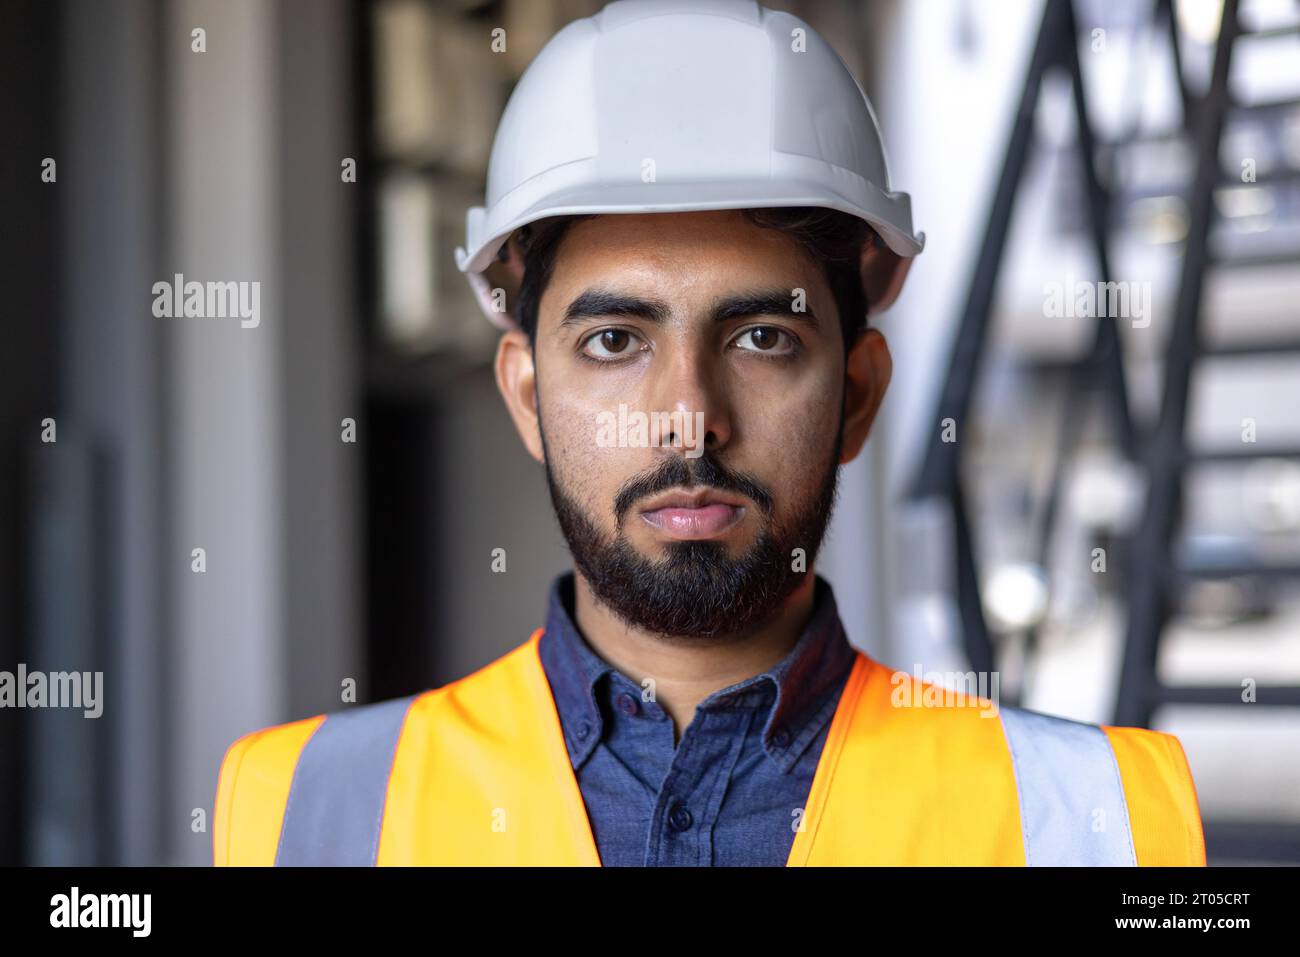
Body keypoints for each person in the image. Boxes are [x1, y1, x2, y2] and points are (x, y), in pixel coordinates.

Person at [213, 0, 1205, 866]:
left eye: (762, 336)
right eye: (613, 340)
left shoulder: (1096, 821)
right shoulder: (302, 808)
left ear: (857, 394)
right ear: (526, 396)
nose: (690, 415)